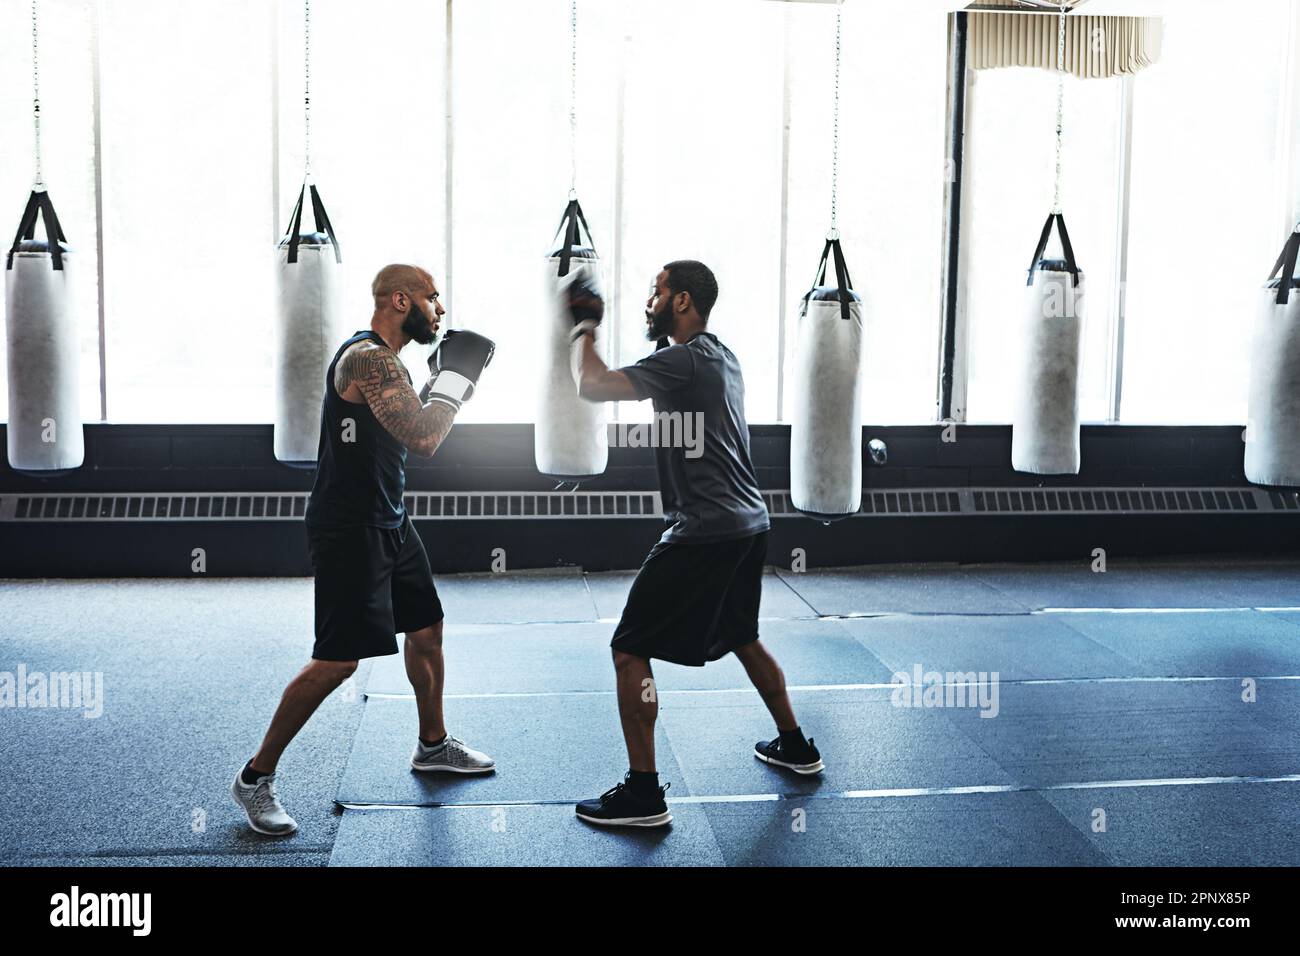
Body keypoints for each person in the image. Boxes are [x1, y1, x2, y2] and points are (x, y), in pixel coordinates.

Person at [232, 264, 497, 836]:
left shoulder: (391, 364)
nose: (441, 310)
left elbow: (406, 422)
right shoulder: (367, 358)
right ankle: (256, 777)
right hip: (349, 530)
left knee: (426, 629)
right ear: (402, 300)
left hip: (391, 521)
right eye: (433, 299)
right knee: (337, 662)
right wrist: (455, 382)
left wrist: (439, 384)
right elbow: (425, 436)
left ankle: (432, 744)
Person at [568, 260, 824, 828]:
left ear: (682, 301)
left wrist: (582, 328)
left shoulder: (680, 360)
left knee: (630, 649)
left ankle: (643, 794)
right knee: (741, 634)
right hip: (750, 523)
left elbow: (592, 387)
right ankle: (796, 746)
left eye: (656, 291)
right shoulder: (721, 356)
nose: (648, 301)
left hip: (703, 531)